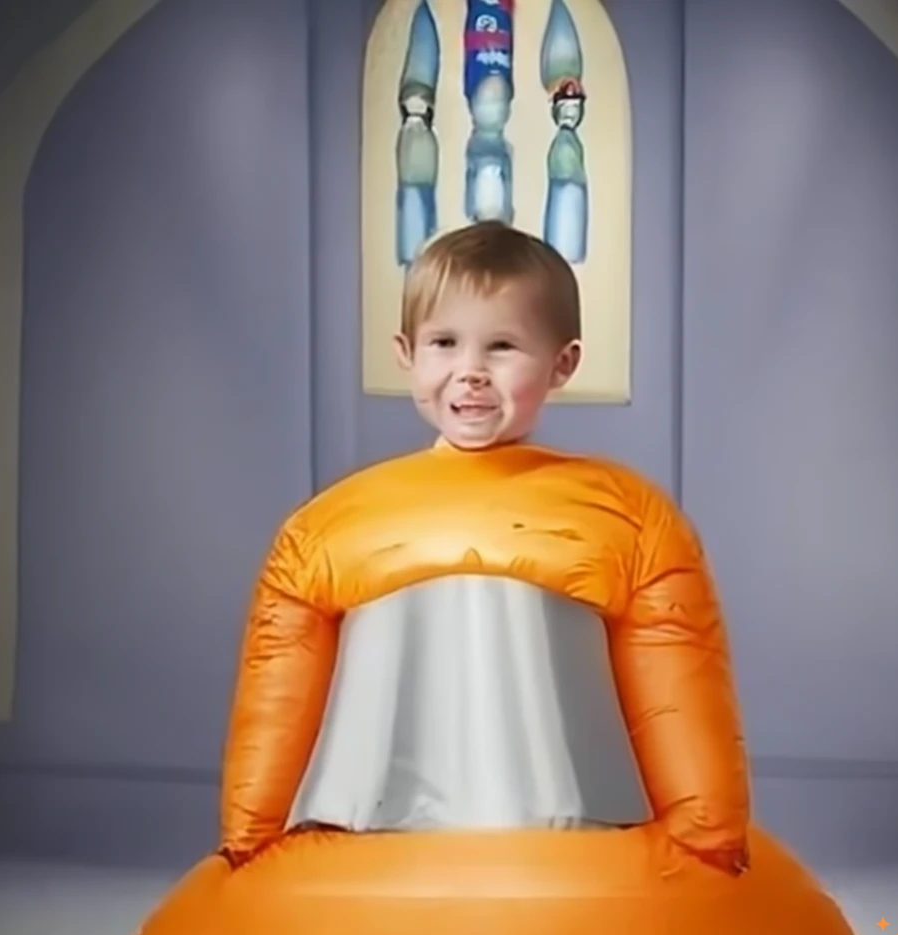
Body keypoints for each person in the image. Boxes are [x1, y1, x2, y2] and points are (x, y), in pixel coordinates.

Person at [219, 220, 750, 877]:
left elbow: (676, 676)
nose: (470, 372)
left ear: (563, 363)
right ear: (406, 353)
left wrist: (709, 842)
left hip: (569, 830)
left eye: (502, 346)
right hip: (370, 829)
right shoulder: (331, 526)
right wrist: (251, 841)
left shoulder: (623, 515)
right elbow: (280, 691)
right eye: (444, 342)